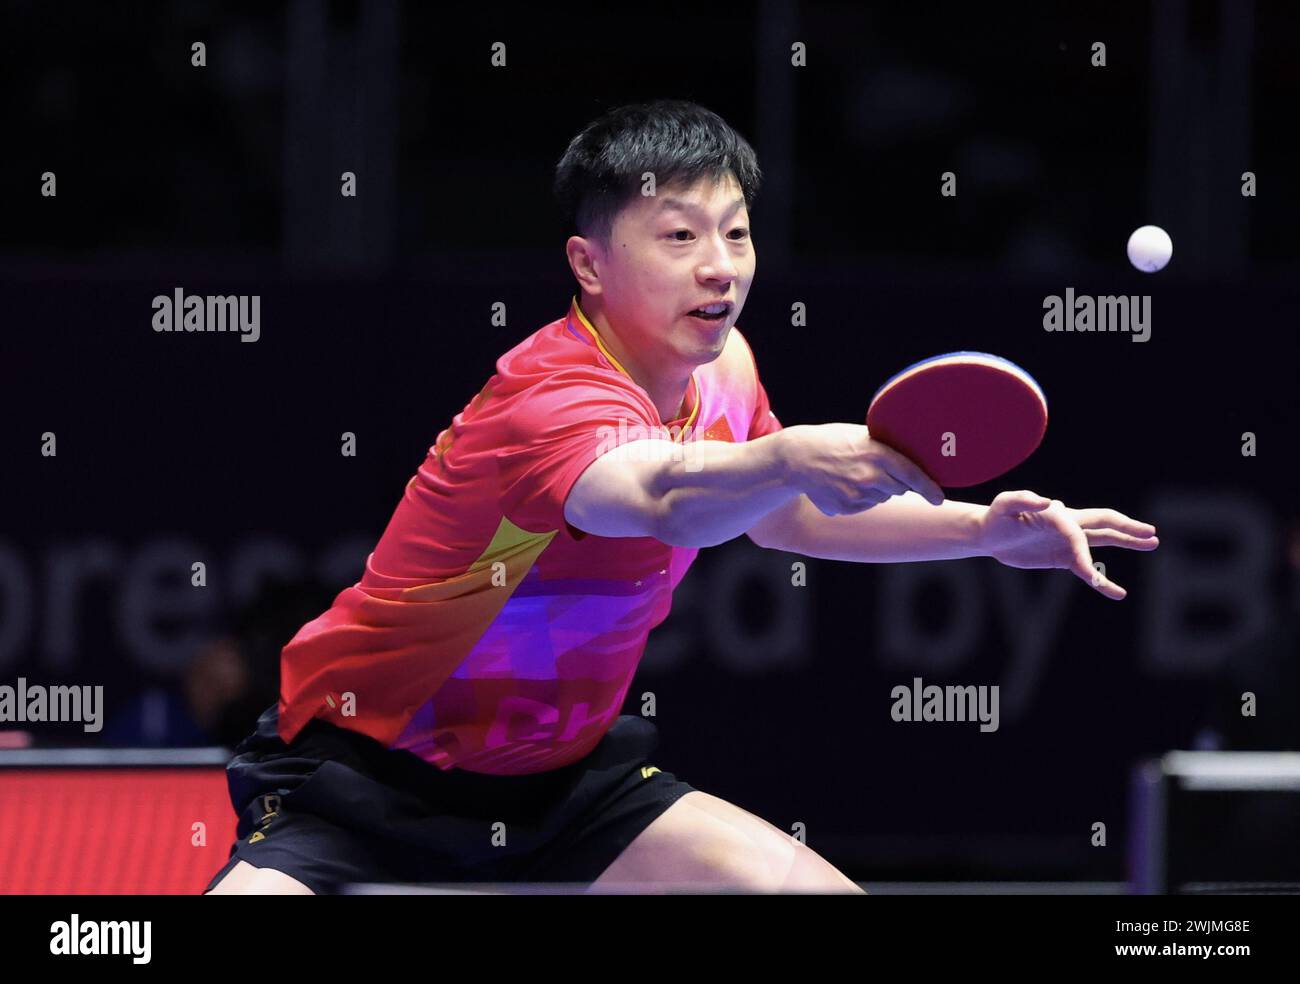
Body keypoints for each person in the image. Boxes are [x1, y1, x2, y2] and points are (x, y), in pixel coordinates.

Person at [205, 99, 1158, 895]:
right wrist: (783, 454)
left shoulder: (725, 367)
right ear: (589, 265)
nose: (721, 264)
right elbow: (660, 495)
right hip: (360, 771)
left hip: (563, 784)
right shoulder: (550, 398)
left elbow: (782, 513)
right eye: (679, 236)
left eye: (736, 232)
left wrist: (982, 532)